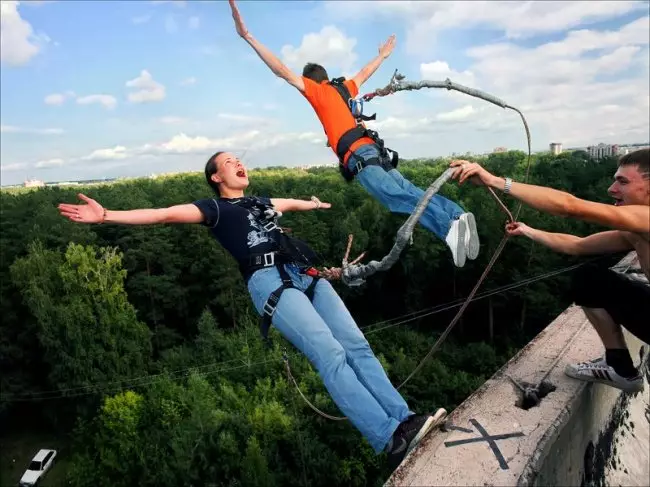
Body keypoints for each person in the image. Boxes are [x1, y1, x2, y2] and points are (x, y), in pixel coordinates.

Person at [57, 151, 447, 468]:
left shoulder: (260, 201)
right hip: (269, 282)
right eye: (229, 162)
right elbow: (162, 214)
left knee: (356, 345)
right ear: (215, 177)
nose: (239, 164)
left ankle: (407, 420)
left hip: (305, 273)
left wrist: (311, 203)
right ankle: (388, 439)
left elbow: (288, 203)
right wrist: (106, 215)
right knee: (331, 353)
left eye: (239, 160)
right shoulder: (214, 209)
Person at [227, 0, 480, 269]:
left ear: (311, 80)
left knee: (395, 198)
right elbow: (364, 73)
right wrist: (382, 55)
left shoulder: (317, 91)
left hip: (360, 156)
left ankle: (448, 229)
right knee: (410, 190)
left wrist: (248, 37)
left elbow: (281, 70)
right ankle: (457, 215)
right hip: (375, 151)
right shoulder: (343, 89)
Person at [449, 148, 649, 393]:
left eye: (622, 181)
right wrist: (528, 231)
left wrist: (495, 181)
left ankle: (621, 369)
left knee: (592, 279)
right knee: (590, 279)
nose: (611, 189)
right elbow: (577, 245)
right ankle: (619, 367)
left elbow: (569, 206)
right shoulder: (636, 231)